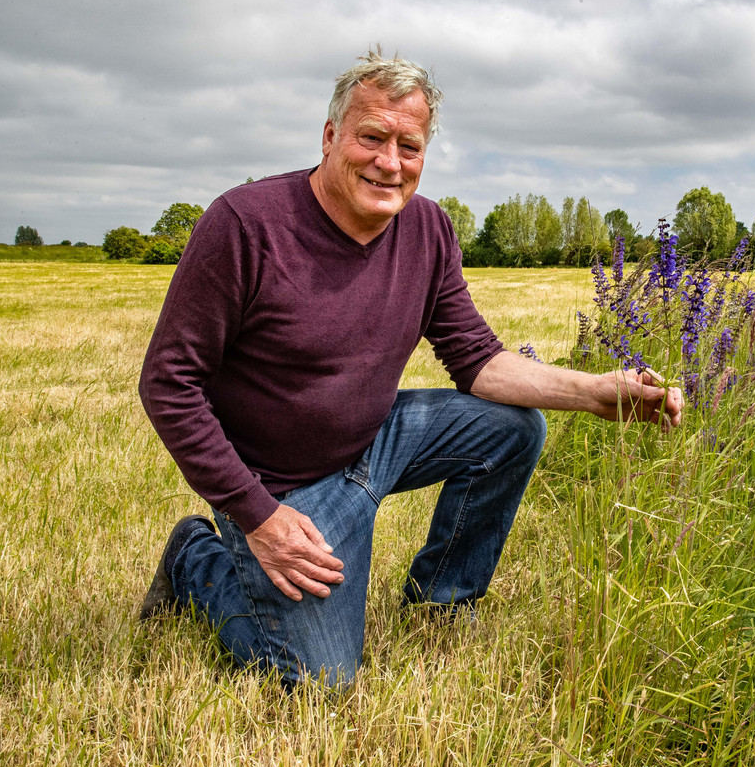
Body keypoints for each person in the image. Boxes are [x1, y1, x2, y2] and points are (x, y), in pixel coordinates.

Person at [137, 48, 682, 689]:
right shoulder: (246, 225)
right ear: (331, 136)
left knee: (512, 429)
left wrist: (599, 392)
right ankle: (198, 559)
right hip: (283, 486)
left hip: (374, 440)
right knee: (317, 684)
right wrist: (258, 517)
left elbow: (477, 359)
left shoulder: (428, 229)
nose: (390, 162)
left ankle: (441, 606)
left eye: (410, 146)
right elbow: (169, 384)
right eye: (372, 138)